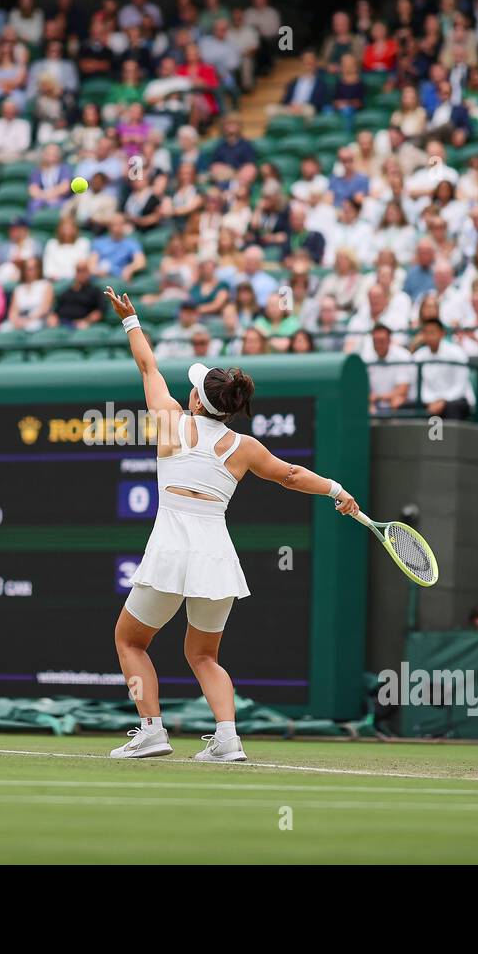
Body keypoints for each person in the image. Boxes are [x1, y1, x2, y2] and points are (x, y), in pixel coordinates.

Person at [102, 285, 359, 762]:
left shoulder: (170, 421)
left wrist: (130, 320)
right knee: (203, 656)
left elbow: (147, 366)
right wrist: (337, 491)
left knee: (129, 639)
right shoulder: (246, 448)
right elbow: (293, 476)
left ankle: (152, 730)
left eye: (193, 389)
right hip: (216, 557)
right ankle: (227, 739)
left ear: (198, 401)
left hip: (172, 551)